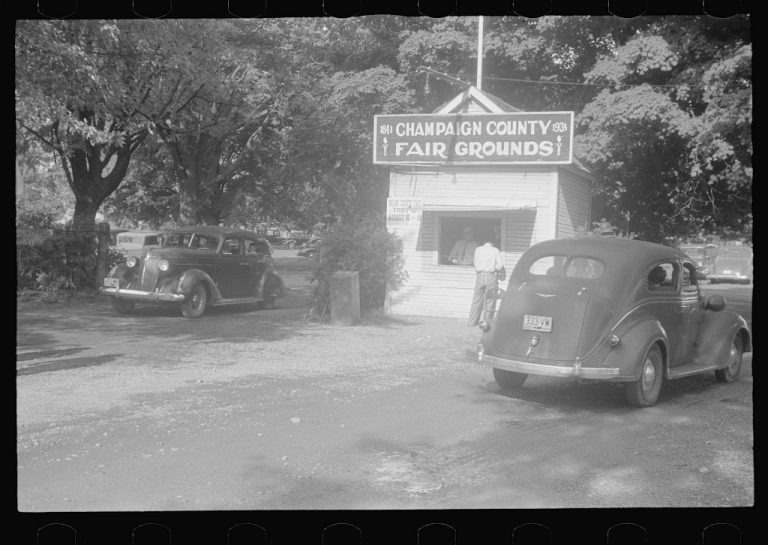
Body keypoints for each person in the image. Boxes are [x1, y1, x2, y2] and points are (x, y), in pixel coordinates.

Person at [467, 238, 505, 328]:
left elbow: (475, 262)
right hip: (490, 276)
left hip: (480, 275)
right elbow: (500, 265)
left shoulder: (478, 249)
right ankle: (487, 323)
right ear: (492, 243)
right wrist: (494, 268)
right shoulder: (495, 250)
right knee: (490, 300)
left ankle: (472, 322)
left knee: (476, 299)